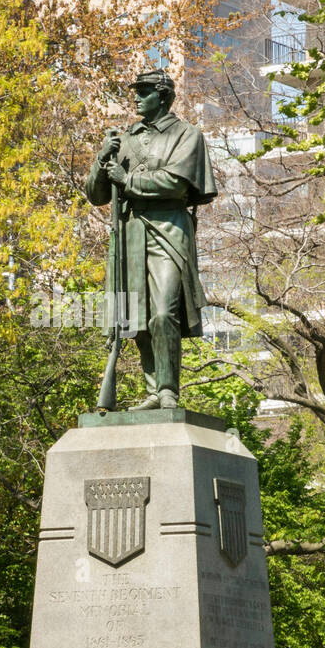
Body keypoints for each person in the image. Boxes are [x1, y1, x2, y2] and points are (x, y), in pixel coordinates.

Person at [85, 69, 218, 410]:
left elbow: (176, 183)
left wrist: (127, 180)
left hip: (168, 229)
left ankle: (169, 390)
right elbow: (96, 195)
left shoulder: (187, 135)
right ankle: (153, 391)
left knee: (162, 313)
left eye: (144, 91)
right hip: (131, 233)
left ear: (163, 95)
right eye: (136, 91)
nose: (136, 97)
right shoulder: (125, 139)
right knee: (137, 316)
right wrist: (103, 159)